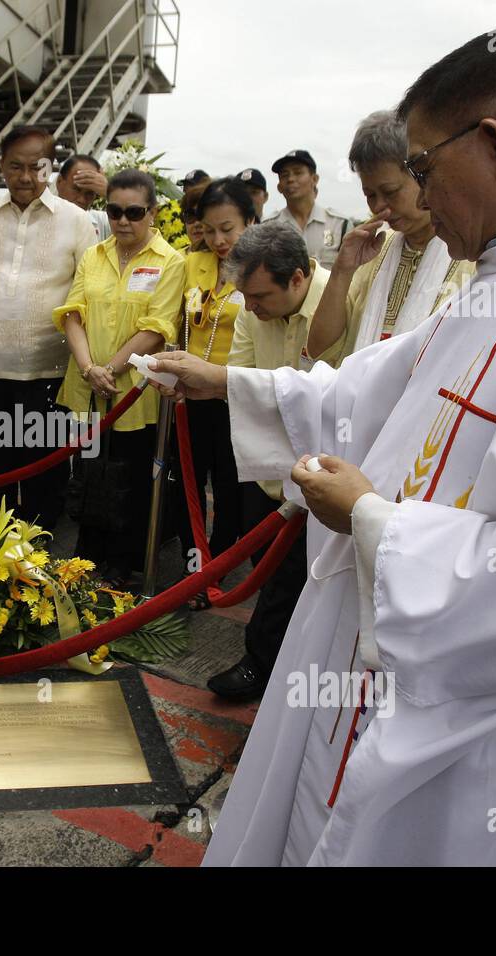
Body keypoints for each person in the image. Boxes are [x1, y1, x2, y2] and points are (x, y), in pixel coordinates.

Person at [150, 23, 496, 866]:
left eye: (425, 169)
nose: (417, 199)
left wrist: (371, 520)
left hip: (484, 729)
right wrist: (226, 383)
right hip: (377, 665)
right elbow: (371, 388)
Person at [208, 222, 334, 701]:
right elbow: (238, 381)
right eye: (246, 297)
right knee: (268, 565)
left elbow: (331, 391)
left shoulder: (337, 303)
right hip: (267, 465)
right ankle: (278, 662)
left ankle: (267, 665)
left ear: (298, 279)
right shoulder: (251, 305)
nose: (252, 307)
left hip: (322, 467)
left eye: (260, 296)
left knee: (301, 577)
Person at [0, 125, 96, 530]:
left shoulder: (76, 221)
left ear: (52, 167)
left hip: (48, 369)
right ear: (1, 166)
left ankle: (37, 563)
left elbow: (86, 293)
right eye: (16, 167)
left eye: (37, 167)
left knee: (43, 472)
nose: (27, 177)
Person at [54, 169, 184, 583]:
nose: (123, 221)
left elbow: (157, 327)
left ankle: (123, 564)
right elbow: (72, 313)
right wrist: (90, 368)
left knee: (129, 478)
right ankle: (87, 557)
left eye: (134, 212)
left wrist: (110, 369)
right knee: (89, 474)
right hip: (88, 385)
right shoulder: (94, 255)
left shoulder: (171, 261)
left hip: (134, 391)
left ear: (153, 212)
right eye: (114, 211)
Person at [305, 110, 474, 362]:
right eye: (370, 195)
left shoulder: (470, 253)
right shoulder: (373, 253)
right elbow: (320, 349)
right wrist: (342, 271)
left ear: (422, 174)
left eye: (391, 191)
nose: (380, 207)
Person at [175, 177, 258, 611]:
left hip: (235, 397)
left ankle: (218, 566)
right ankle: (194, 563)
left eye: (228, 228)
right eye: (209, 230)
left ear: (250, 221)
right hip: (189, 397)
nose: (219, 240)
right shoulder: (192, 265)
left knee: (229, 490)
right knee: (186, 483)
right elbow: (174, 323)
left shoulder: (261, 267)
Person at [264, 149, 355, 269]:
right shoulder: (267, 228)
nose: (290, 179)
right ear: (279, 187)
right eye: (285, 175)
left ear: (314, 179)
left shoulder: (339, 224)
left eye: (298, 172)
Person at [56, 153, 110, 241]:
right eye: (76, 189)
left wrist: (110, 192)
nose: (81, 200)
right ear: (59, 182)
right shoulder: (36, 220)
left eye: (89, 193)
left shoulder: (101, 222)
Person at [181, 181, 209, 252]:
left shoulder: (229, 261)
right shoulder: (175, 259)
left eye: (202, 215)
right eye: (190, 215)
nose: (197, 224)